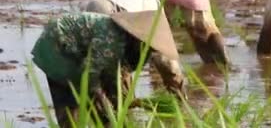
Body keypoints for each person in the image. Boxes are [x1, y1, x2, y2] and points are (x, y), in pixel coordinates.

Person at [31, 8, 178, 127]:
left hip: (80, 53)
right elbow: (88, 75)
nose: (149, 52)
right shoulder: (111, 40)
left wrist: (123, 100)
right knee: (70, 106)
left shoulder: (126, 45)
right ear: (139, 39)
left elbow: (112, 76)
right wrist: (103, 101)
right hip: (57, 46)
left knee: (105, 109)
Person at [84, 0, 187, 98]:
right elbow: (166, 60)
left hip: (96, 9)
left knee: (104, 67)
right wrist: (179, 90)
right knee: (119, 67)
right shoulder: (155, 11)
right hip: (113, 13)